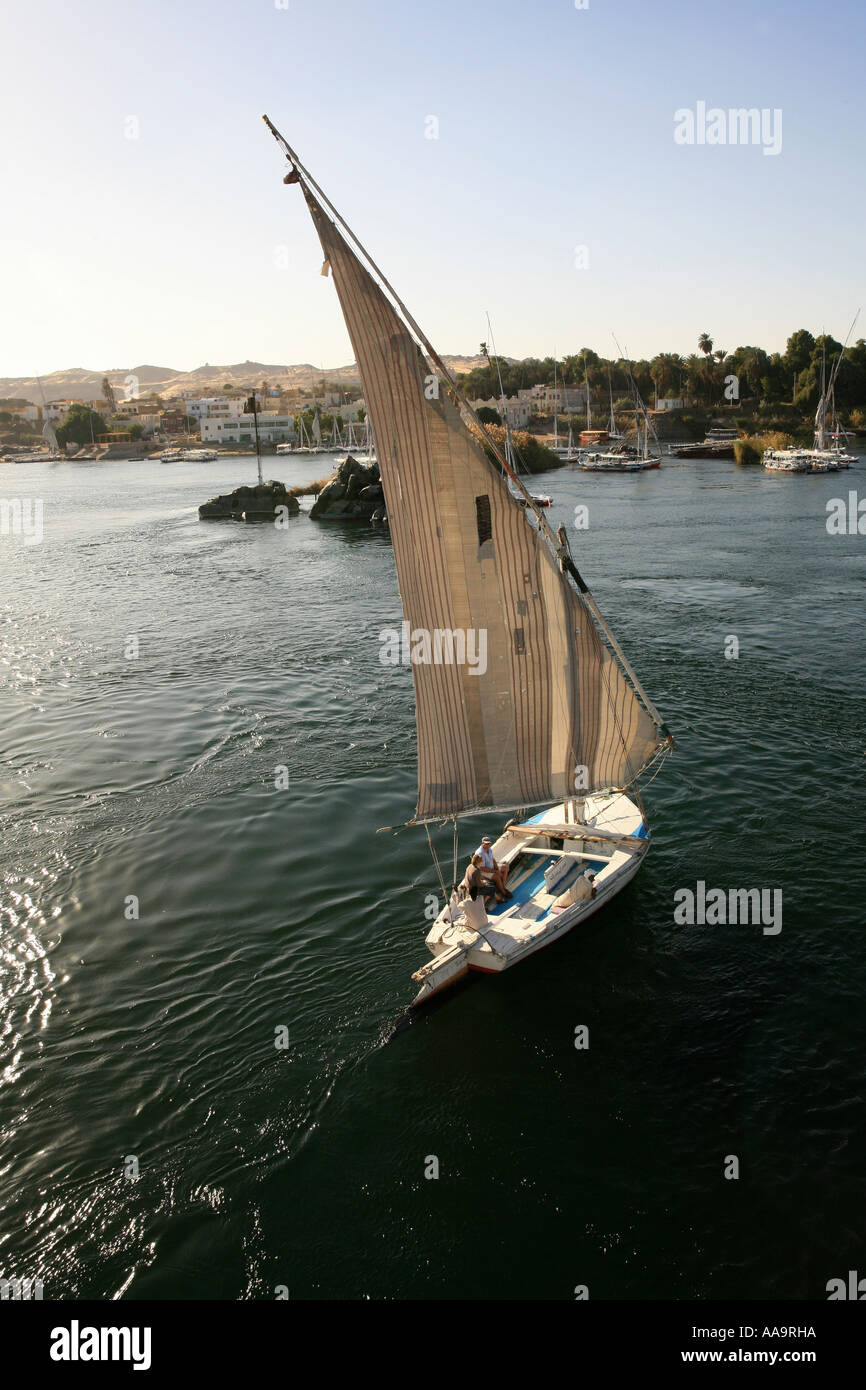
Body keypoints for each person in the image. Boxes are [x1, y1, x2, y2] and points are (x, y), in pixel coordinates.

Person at [475, 835, 512, 900]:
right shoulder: (479, 853)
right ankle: (503, 892)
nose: (488, 845)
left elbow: (493, 859)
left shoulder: (489, 849)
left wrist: (497, 868)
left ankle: (503, 886)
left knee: (505, 868)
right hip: (483, 871)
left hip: (491, 867)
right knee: (497, 877)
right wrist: (495, 871)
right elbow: (482, 868)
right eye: (486, 843)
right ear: (482, 843)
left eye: (489, 843)